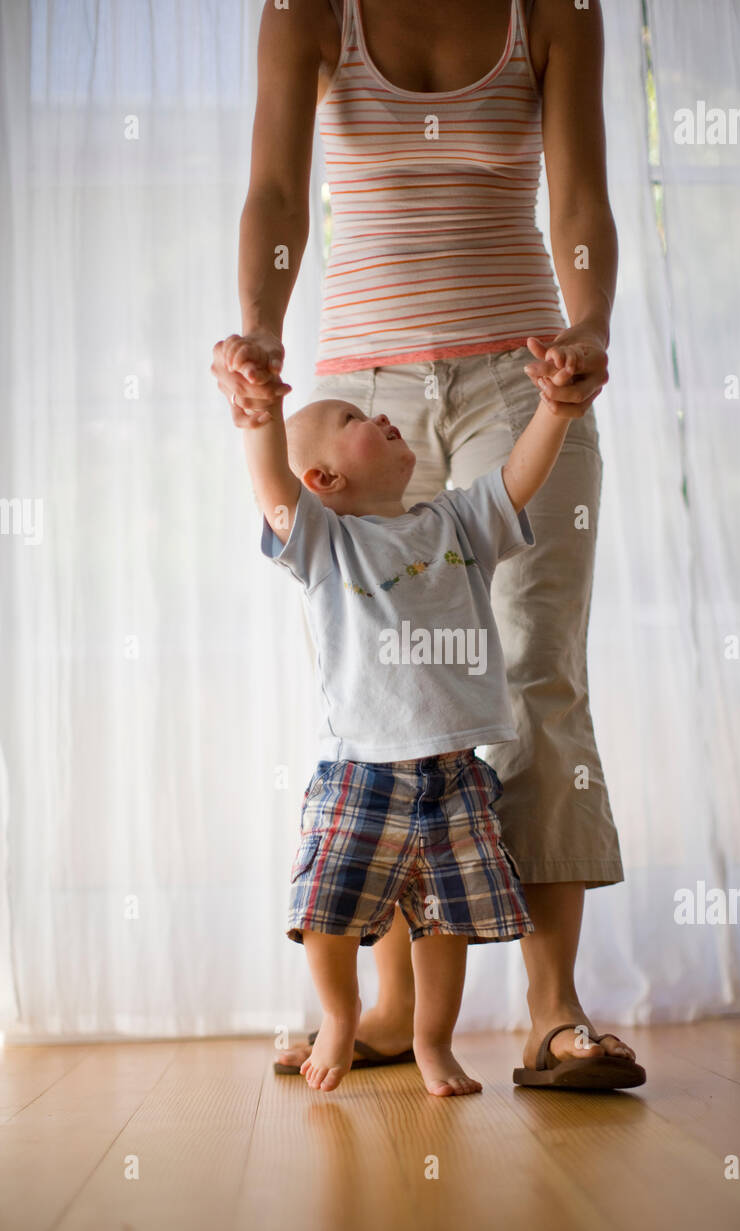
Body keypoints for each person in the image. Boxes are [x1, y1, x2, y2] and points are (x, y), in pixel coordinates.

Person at [212, 0, 645, 1089]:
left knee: (536, 671)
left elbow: (577, 194)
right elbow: (274, 192)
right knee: (400, 692)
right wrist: (260, 326)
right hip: (366, 387)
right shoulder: (307, 12)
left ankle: (555, 1015)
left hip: (522, 369)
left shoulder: (555, 11)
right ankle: (398, 1008)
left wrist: (586, 324)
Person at [244, 341, 581, 1094]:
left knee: (444, 920)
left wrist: (556, 412)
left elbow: (517, 480)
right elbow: (271, 483)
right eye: (355, 418)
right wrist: (260, 418)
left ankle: (432, 1042)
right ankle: (341, 1014)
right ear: (323, 479)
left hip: (455, 772)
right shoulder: (326, 543)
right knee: (325, 906)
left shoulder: (457, 523)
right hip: (361, 767)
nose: (383, 417)